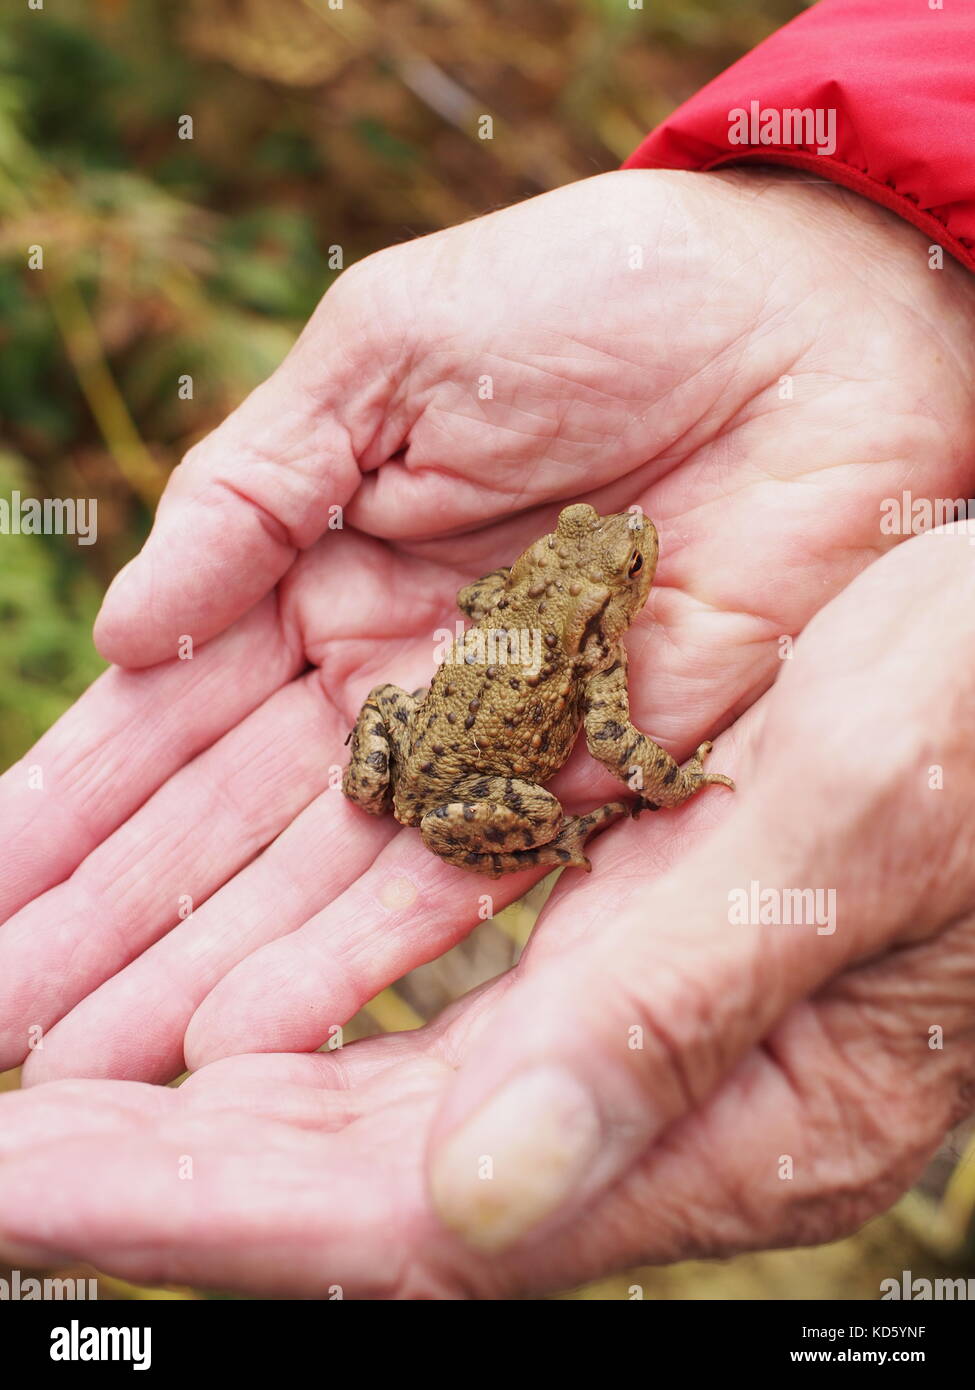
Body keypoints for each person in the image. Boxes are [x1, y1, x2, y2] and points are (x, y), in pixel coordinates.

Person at [2, 0, 975, 1298]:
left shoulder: (537, 596)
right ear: (594, 599)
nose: (629, 550)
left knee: (434, 758)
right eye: (613, 553)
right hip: (466, 776)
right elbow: (619, 742)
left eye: (624, 552)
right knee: (544, 803)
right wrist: (637, 799)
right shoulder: (587, 655)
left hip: (413, 734)